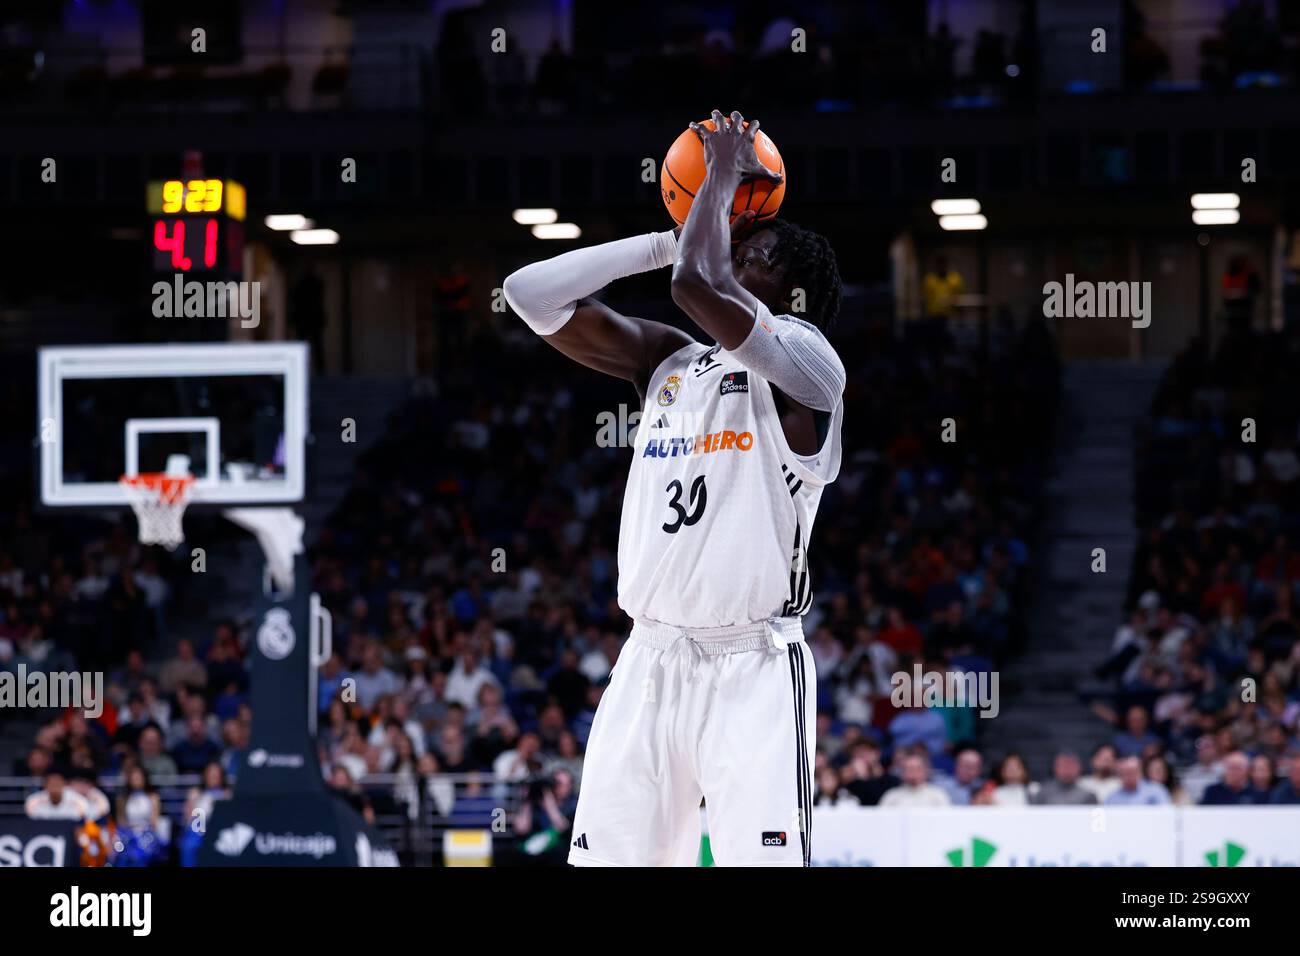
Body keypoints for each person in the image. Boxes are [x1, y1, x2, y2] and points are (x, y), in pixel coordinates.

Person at [503, 110, 844, 867]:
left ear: (788, 291)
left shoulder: (811, 370)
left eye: (751, 250)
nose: (727, 246)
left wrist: (717, 180)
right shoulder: (671, 362)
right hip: (650, 658)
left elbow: (699, 282)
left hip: (751, 666)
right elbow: (529, 292)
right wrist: (668, 236)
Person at [878, 751, 952, 808]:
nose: (913, 773)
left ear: (925, 771)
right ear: (902, 772)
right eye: (909, 769)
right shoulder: (891, 796)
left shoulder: (938, 795)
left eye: (917, 769)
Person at [24, 769, 91, 821]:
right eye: (52, 785)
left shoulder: (78, 800)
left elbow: (81, 819)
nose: (55, 788)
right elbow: (32, 818)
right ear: (45, 786)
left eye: (57, 784)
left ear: (64, 785)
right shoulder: (34, 800)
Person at [1033, 751, 1098, 805]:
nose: (1067, 769)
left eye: (1071, 765)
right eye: (1063, 765)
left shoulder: (1088, 796)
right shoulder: (1043, 794)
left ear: (1079, 768)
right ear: (1055, 767)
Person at [1104, 756, 1171, 805]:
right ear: (1119, 775)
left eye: (1133, 771)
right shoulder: (1112, 798)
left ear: (1140, 772)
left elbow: (1165, 814)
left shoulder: (1157, 790)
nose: (1130, 776)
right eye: (1125, 773)